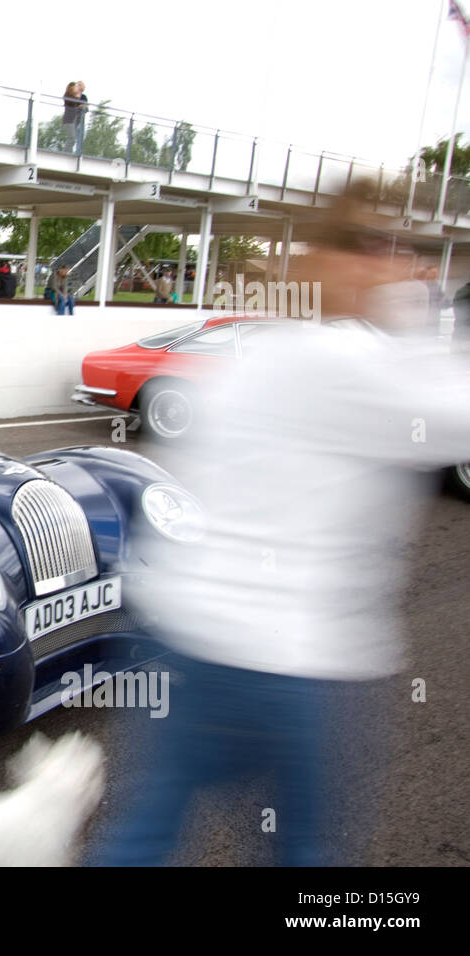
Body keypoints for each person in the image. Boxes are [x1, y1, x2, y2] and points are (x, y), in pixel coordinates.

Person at [91, 185, 470, 867]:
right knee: (308, 854)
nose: (399, 265)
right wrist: (420, 309)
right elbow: (454, 417)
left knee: (143, 834)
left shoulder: (257, 357)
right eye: (383, 249)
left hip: (186, 636)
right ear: (341, 260)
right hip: (295, 660)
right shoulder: (348, 359)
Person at [63, 81, 87, 154]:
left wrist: (81, 106)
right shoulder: (69, 96)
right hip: (69, 119)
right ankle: (66, 153)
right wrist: (79, 106)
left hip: (78, 120)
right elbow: (72, 106)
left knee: (77, 138)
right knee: (72, 138)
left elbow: (85, 107)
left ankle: (74, 152)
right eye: (77, 86)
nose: (78, 87)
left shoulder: (82, 97)